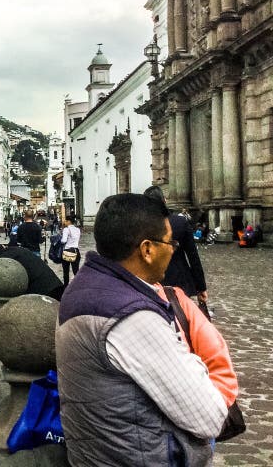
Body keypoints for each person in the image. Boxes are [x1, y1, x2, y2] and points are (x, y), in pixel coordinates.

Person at [56, 193, 228, 465]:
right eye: (170, 242)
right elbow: (210, 417)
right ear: (147, 249)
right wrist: (193, 361)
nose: (173, 250)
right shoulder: (131, 317)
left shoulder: (82, 288)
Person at [144, 186, 208, 302]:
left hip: (153, 281)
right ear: (164, 201)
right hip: (180, 280)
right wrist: (201, 287)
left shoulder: (143, 225)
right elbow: (193, 256)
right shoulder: (180, 222)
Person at [0, 241, 65, 301]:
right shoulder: (15, 249)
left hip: (42, 293)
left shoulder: (3, 263)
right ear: (2, 246)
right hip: (55, 283)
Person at [60, 215, 81, 286]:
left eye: (65, 221)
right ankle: (78, 286)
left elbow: (63, 240)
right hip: (76, 251)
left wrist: (60, 239)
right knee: (76, 271)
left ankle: (66, 287)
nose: (64, 222)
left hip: (67, 252)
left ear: (69, 221)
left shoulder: (66, 229)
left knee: (66, 272)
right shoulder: (78, 229)